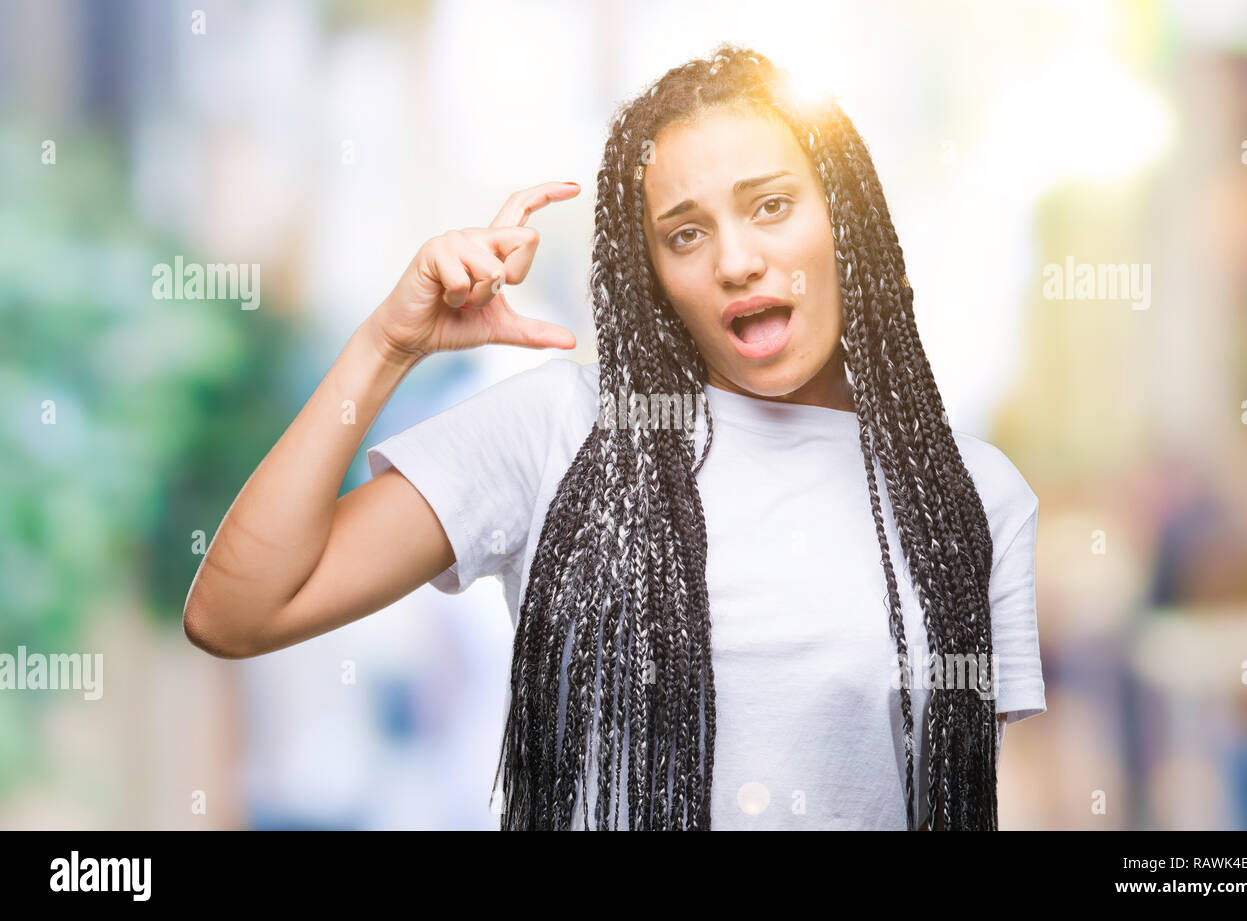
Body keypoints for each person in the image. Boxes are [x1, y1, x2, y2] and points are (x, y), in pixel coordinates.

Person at [183, 43, 1046, 831]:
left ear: (844, 220)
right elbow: (235, 611)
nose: (735, 260)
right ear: (655, 277)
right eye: (685, 233)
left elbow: (982, 794)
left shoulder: (971, 496)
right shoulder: (564, 429)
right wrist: (387, 345)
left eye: (772, 206)